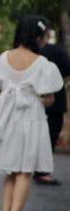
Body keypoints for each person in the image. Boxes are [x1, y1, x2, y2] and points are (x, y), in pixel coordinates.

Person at [0, 15, 64, 211]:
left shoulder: (1, 59)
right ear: (38, 37)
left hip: (7, 119)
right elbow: (49, 98)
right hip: (30, 118)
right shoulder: (42, 64)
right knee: (24, 171)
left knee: (11, 171)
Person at [33, 38, 70, 185]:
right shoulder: (56, 50)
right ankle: (42, 171)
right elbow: (68, 68)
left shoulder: (27, 52)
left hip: (32, 97)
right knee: (50, 134)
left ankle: (31, 167)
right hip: (55, 98)